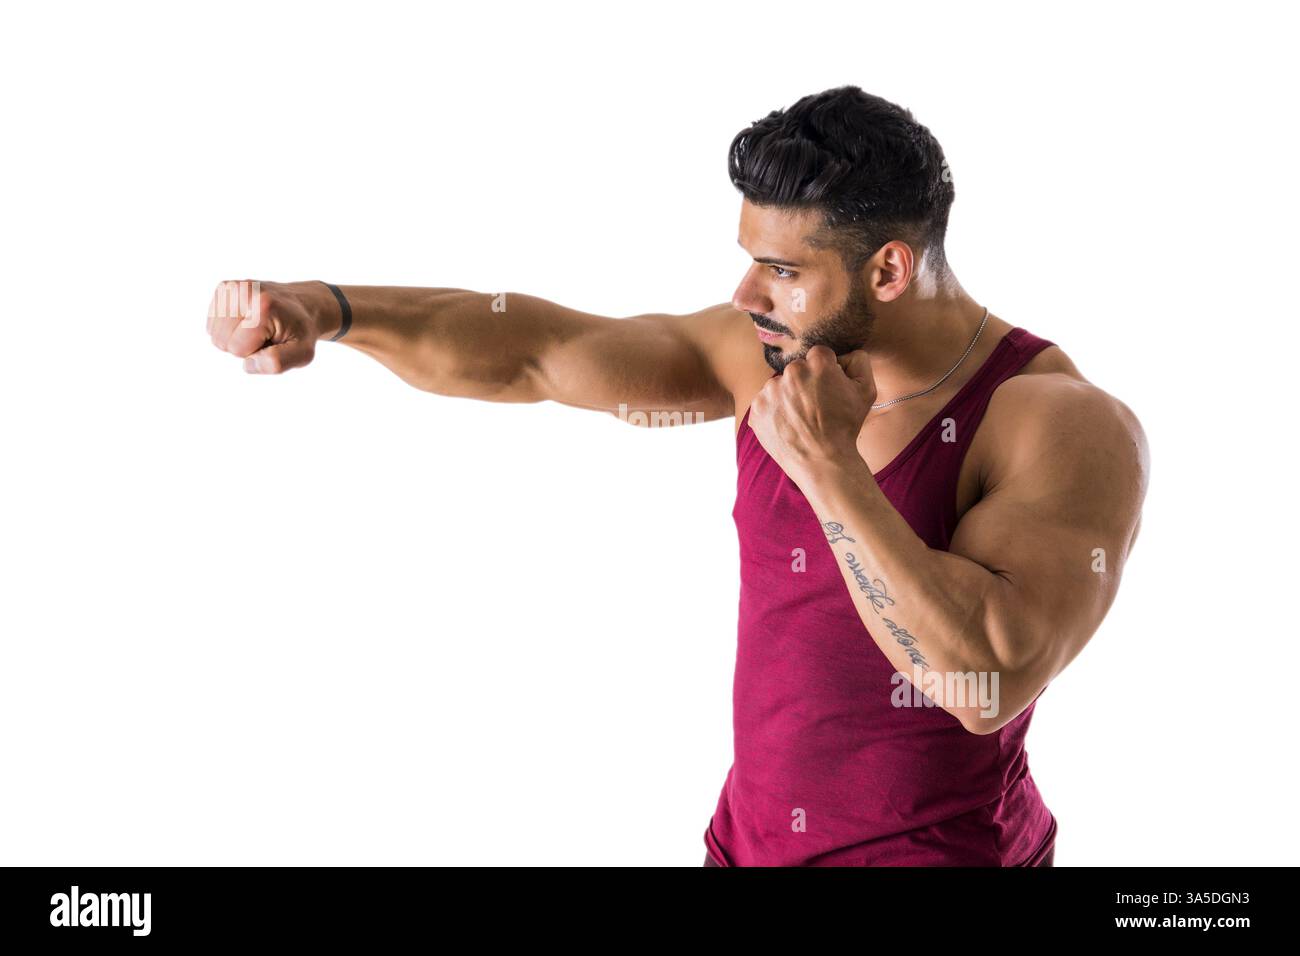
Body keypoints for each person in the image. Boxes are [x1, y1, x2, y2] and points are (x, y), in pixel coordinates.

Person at [206, 86, 1149, 867]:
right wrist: (330, 311)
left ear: (889, 270)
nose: (745, 296)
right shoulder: (765, 354)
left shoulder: (1056, 422)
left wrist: (828, 468)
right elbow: (542, 350)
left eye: (781, 269)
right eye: (748, 261)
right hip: (744, 851)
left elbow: (982, 680)